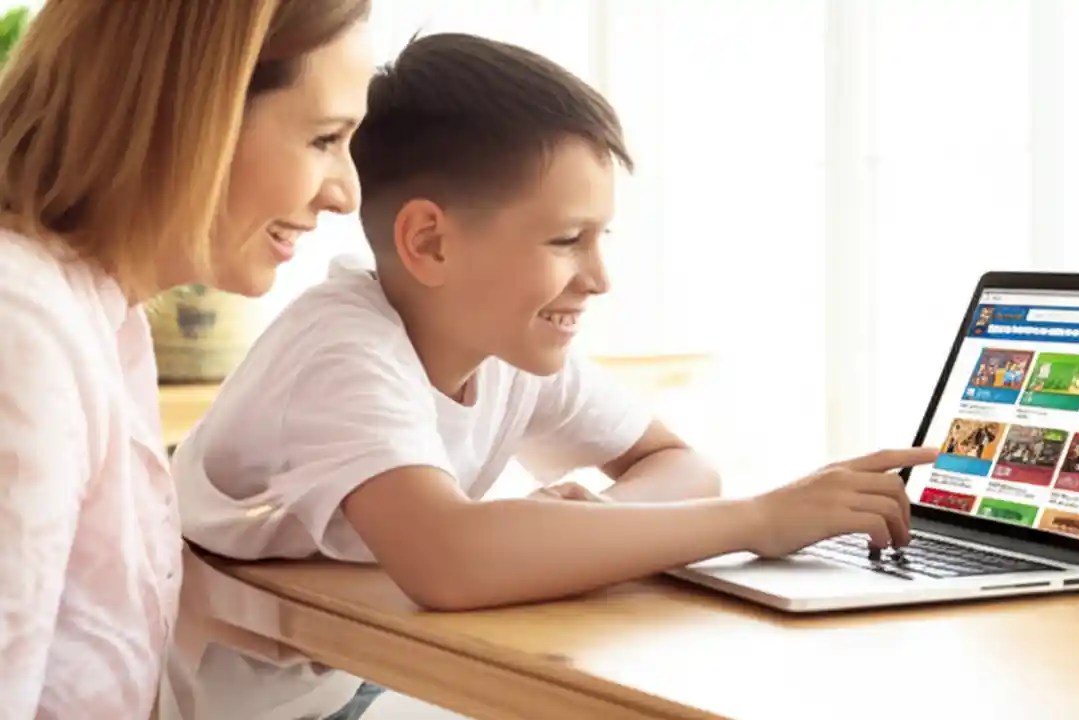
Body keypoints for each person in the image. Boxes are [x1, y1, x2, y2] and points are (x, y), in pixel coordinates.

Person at [170, 33, 935, 718]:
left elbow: (681, 466)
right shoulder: (341, 349)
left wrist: (600, 520)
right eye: (569, 239)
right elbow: (450, 560)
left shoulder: (505, 349)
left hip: (345, 682)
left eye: (601, 238)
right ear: (430, 243)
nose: (599, 277)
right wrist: (761, 520)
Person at [0, 1, 373, 717]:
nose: (345, 193)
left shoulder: (105, 321)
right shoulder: (25, 334)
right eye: (326, 138)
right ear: (194, 113)